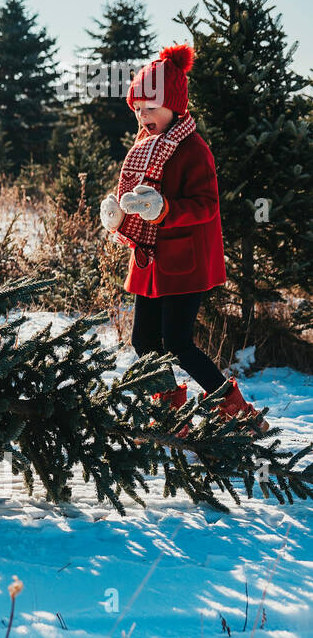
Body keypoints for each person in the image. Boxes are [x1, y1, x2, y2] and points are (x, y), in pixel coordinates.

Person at [100, 44, 267, 433]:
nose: (143, 116)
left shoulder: (193, 149)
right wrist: (121, 215)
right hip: (149, 259)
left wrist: (165, 210)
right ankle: (171, 407)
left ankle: (234, 407)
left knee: (178, 342)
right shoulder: (143, 147)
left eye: (151, 108)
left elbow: (207, 205)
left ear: (174, 105)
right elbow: (136, 196)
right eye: (137, 109)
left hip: (183, 261)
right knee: (143, 341)